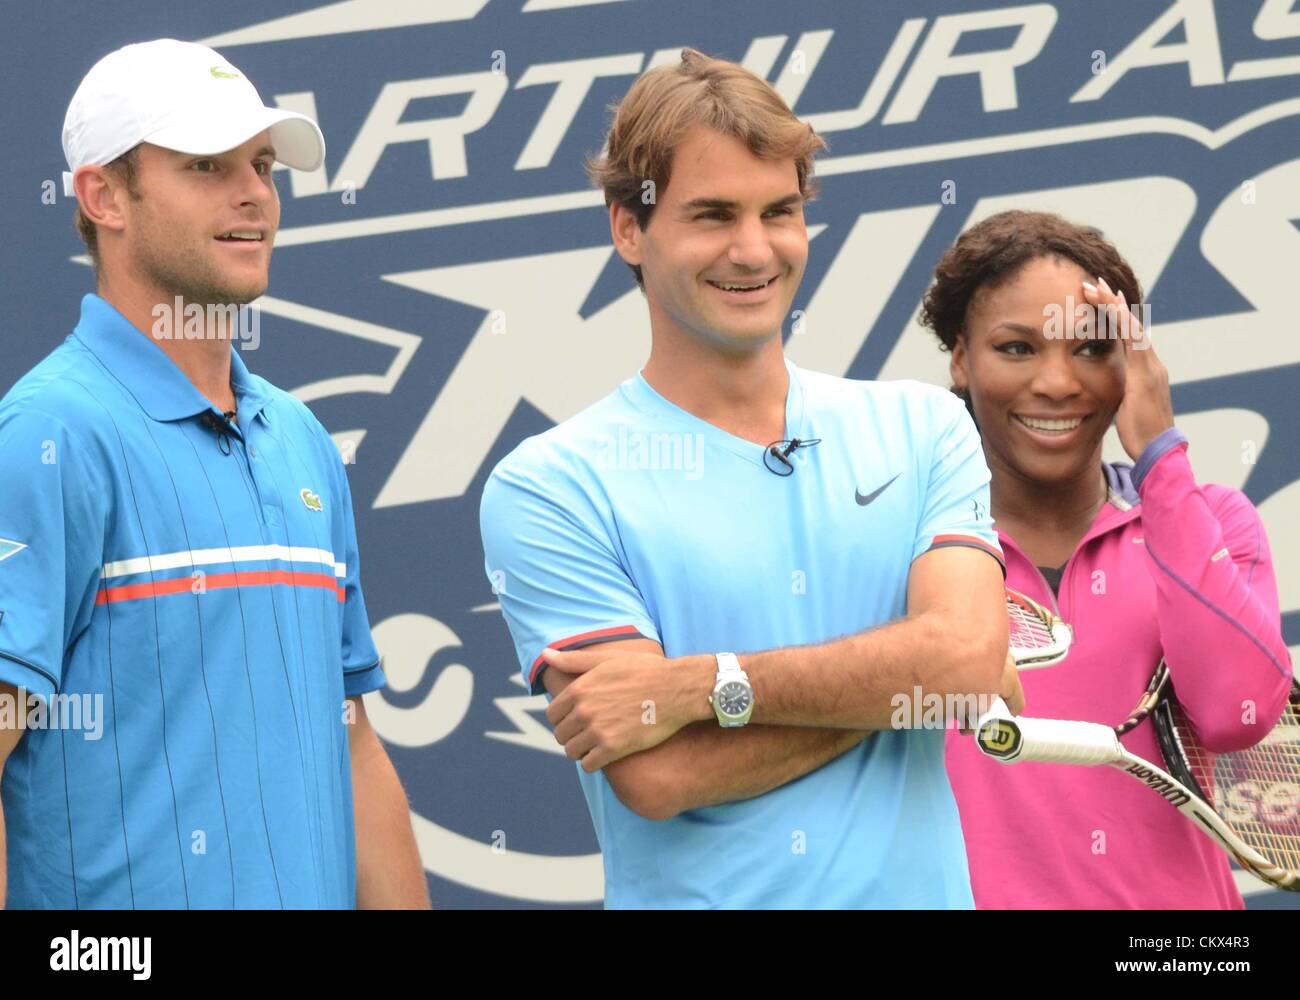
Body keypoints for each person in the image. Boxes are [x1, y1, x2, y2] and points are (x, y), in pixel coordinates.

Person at [479, 49, 1021, 908]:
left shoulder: (923, 426)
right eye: (712, 215)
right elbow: (659, 773)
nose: (753, 249)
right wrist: (904, 675)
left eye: (780, 211)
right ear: (629, 227)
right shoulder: (549, 484)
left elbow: (960, 664)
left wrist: (698, 686)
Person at [0, 39, 428, 909]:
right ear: (103, 195)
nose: (254, 195)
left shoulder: (301, 437)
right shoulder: (50, 432)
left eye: (263, 165)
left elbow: (351, 744)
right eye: (205, 164)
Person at [928, 209, 1293, 908]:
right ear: (960, 358)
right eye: (1017, 348)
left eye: (1092, 349)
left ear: (1132, 364)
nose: (1059, 383)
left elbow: (1236, 715)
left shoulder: (1212, 519)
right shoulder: (910, 546)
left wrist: (1160, 454)